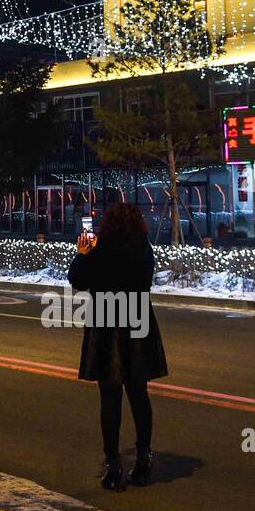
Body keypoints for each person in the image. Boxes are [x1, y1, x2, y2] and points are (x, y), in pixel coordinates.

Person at [68, 202, 168, 491]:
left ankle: (113, 465)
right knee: (139, 395)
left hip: (106, 325)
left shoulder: (99, 249)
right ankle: (143, 459)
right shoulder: (143, 249)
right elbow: (145, 282)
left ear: (108, 224)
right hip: (137, 322)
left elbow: (77, 280)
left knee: (110, 398)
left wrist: (82, 253)